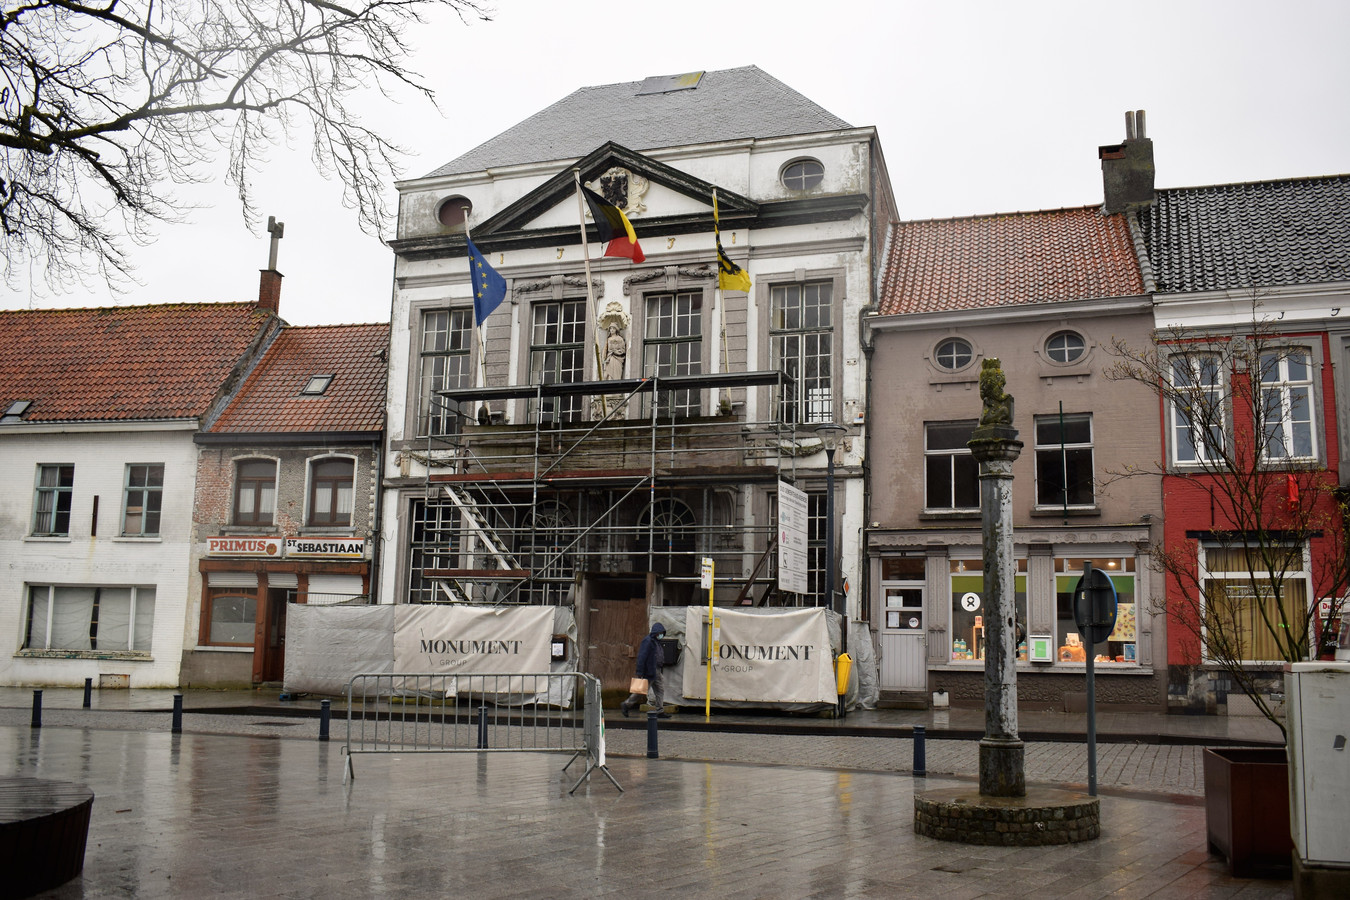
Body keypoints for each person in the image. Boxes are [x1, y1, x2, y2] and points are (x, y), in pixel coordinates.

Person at [620, 621, 669, 717]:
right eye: (660, 633)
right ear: (656, 633)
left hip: (656, 670)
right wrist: (640, 671)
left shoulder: (656, 642)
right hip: (649, 670)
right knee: (641, 691)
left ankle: (660, 710)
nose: (661, 635)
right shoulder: (648, 641)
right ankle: (626, 704)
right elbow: (642, 656)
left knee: (660, 690)